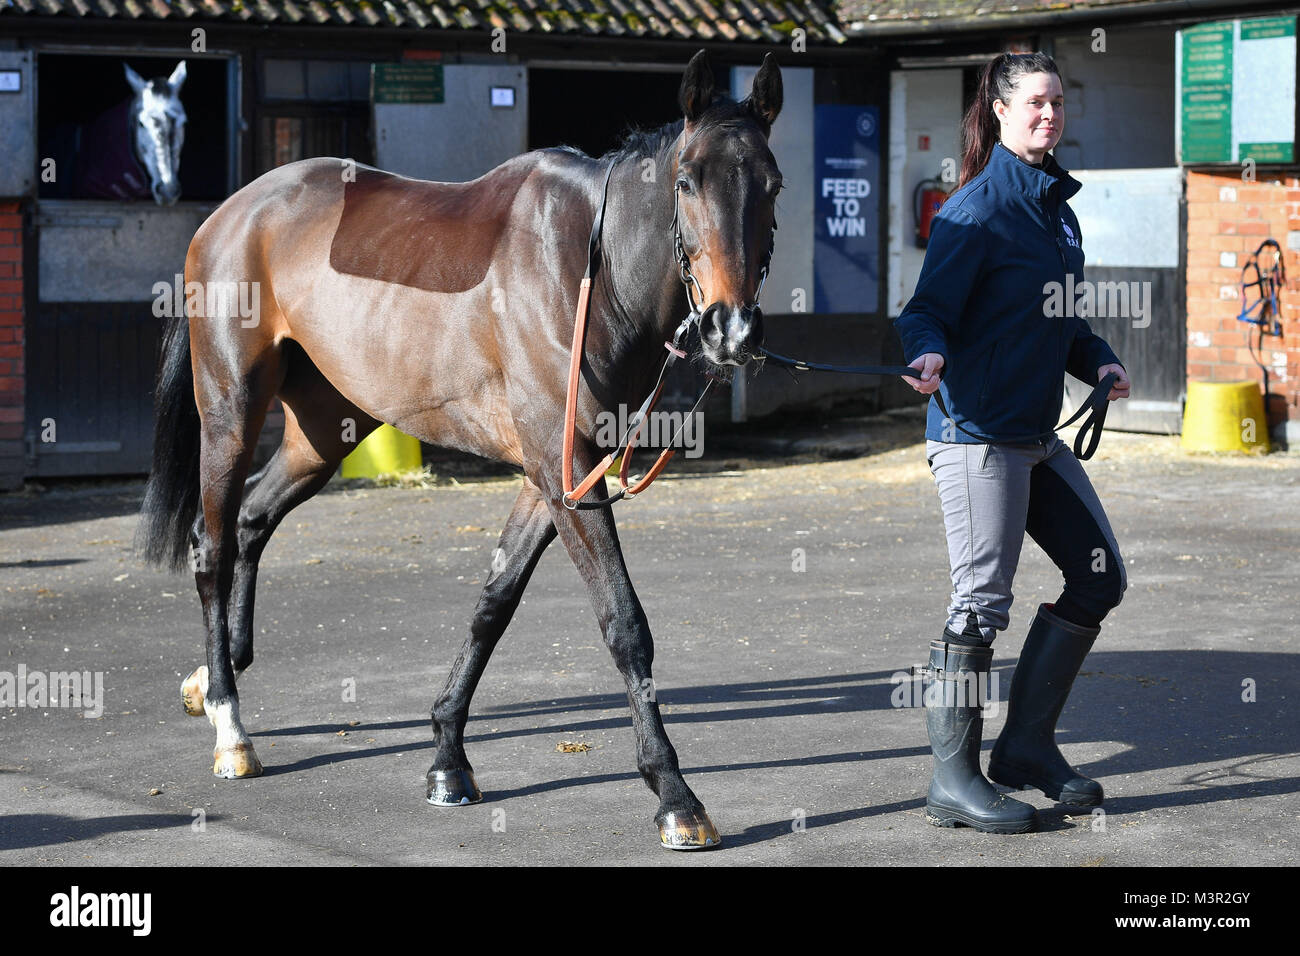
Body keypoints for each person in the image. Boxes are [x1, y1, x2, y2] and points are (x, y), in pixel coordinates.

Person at [894, 52, 1131, 834]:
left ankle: (1026, 747)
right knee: (979, 605)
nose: (1049, 115)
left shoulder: (1057, 210)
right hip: (977, 437)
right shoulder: (976, 208)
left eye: (1058, 102)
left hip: (1036, 434)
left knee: (1099, 577)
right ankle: (952, 780)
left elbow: (1061, 314)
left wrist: (1094, 355)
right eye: (1035, 103)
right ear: (998, 111)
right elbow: (925, 309)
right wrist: (925, 350)